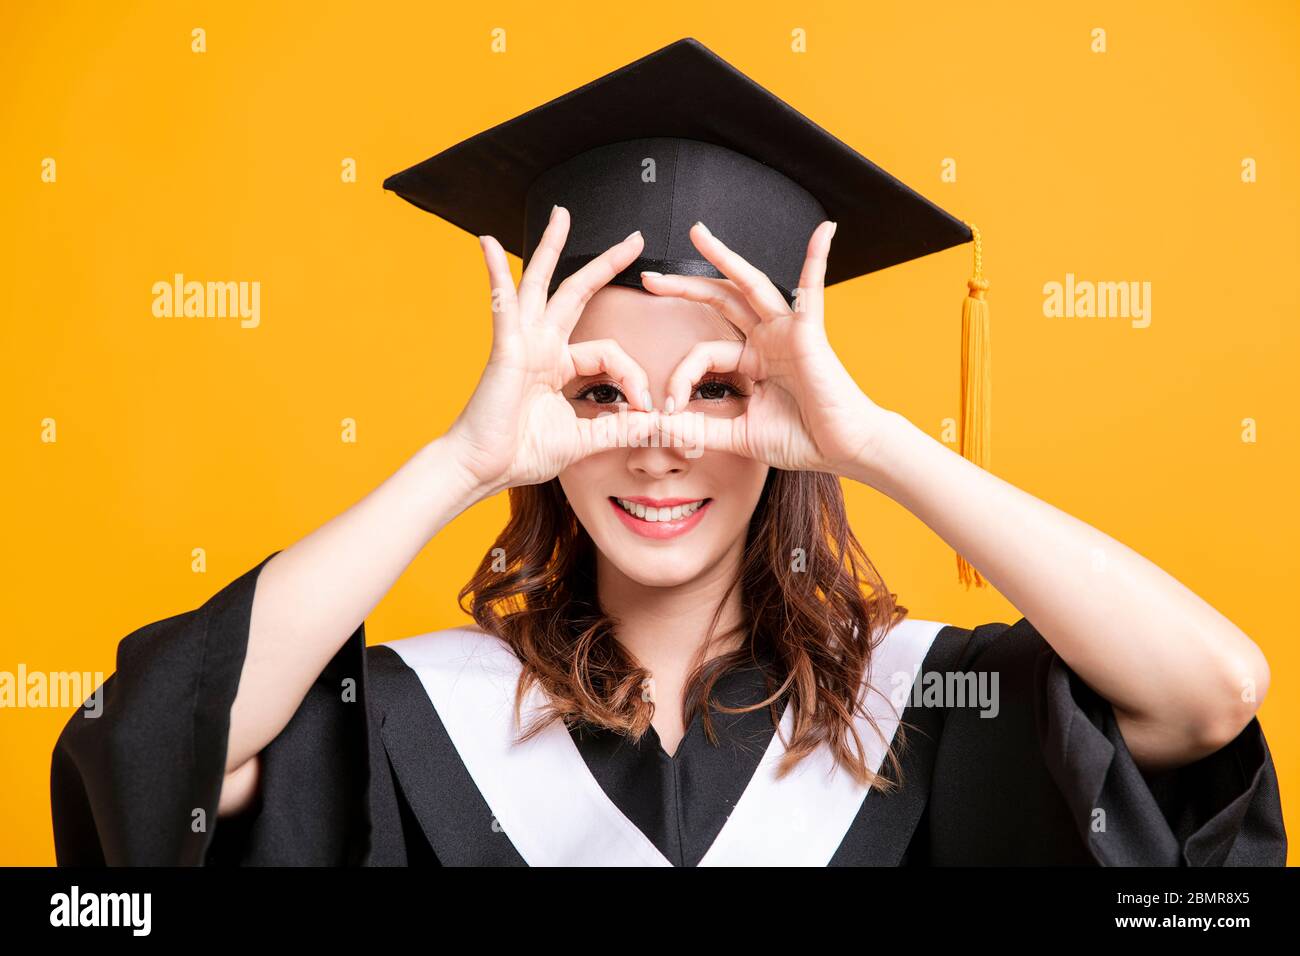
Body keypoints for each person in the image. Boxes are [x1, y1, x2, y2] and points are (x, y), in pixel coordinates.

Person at [50, 38, 1286, 867]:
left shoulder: (929, 716)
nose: (657, 445)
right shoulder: (412, 726)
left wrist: (876, 445)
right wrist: (463, 460)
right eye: (598, 388)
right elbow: (152, 752)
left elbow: (1213, 688)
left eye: (718, 390)